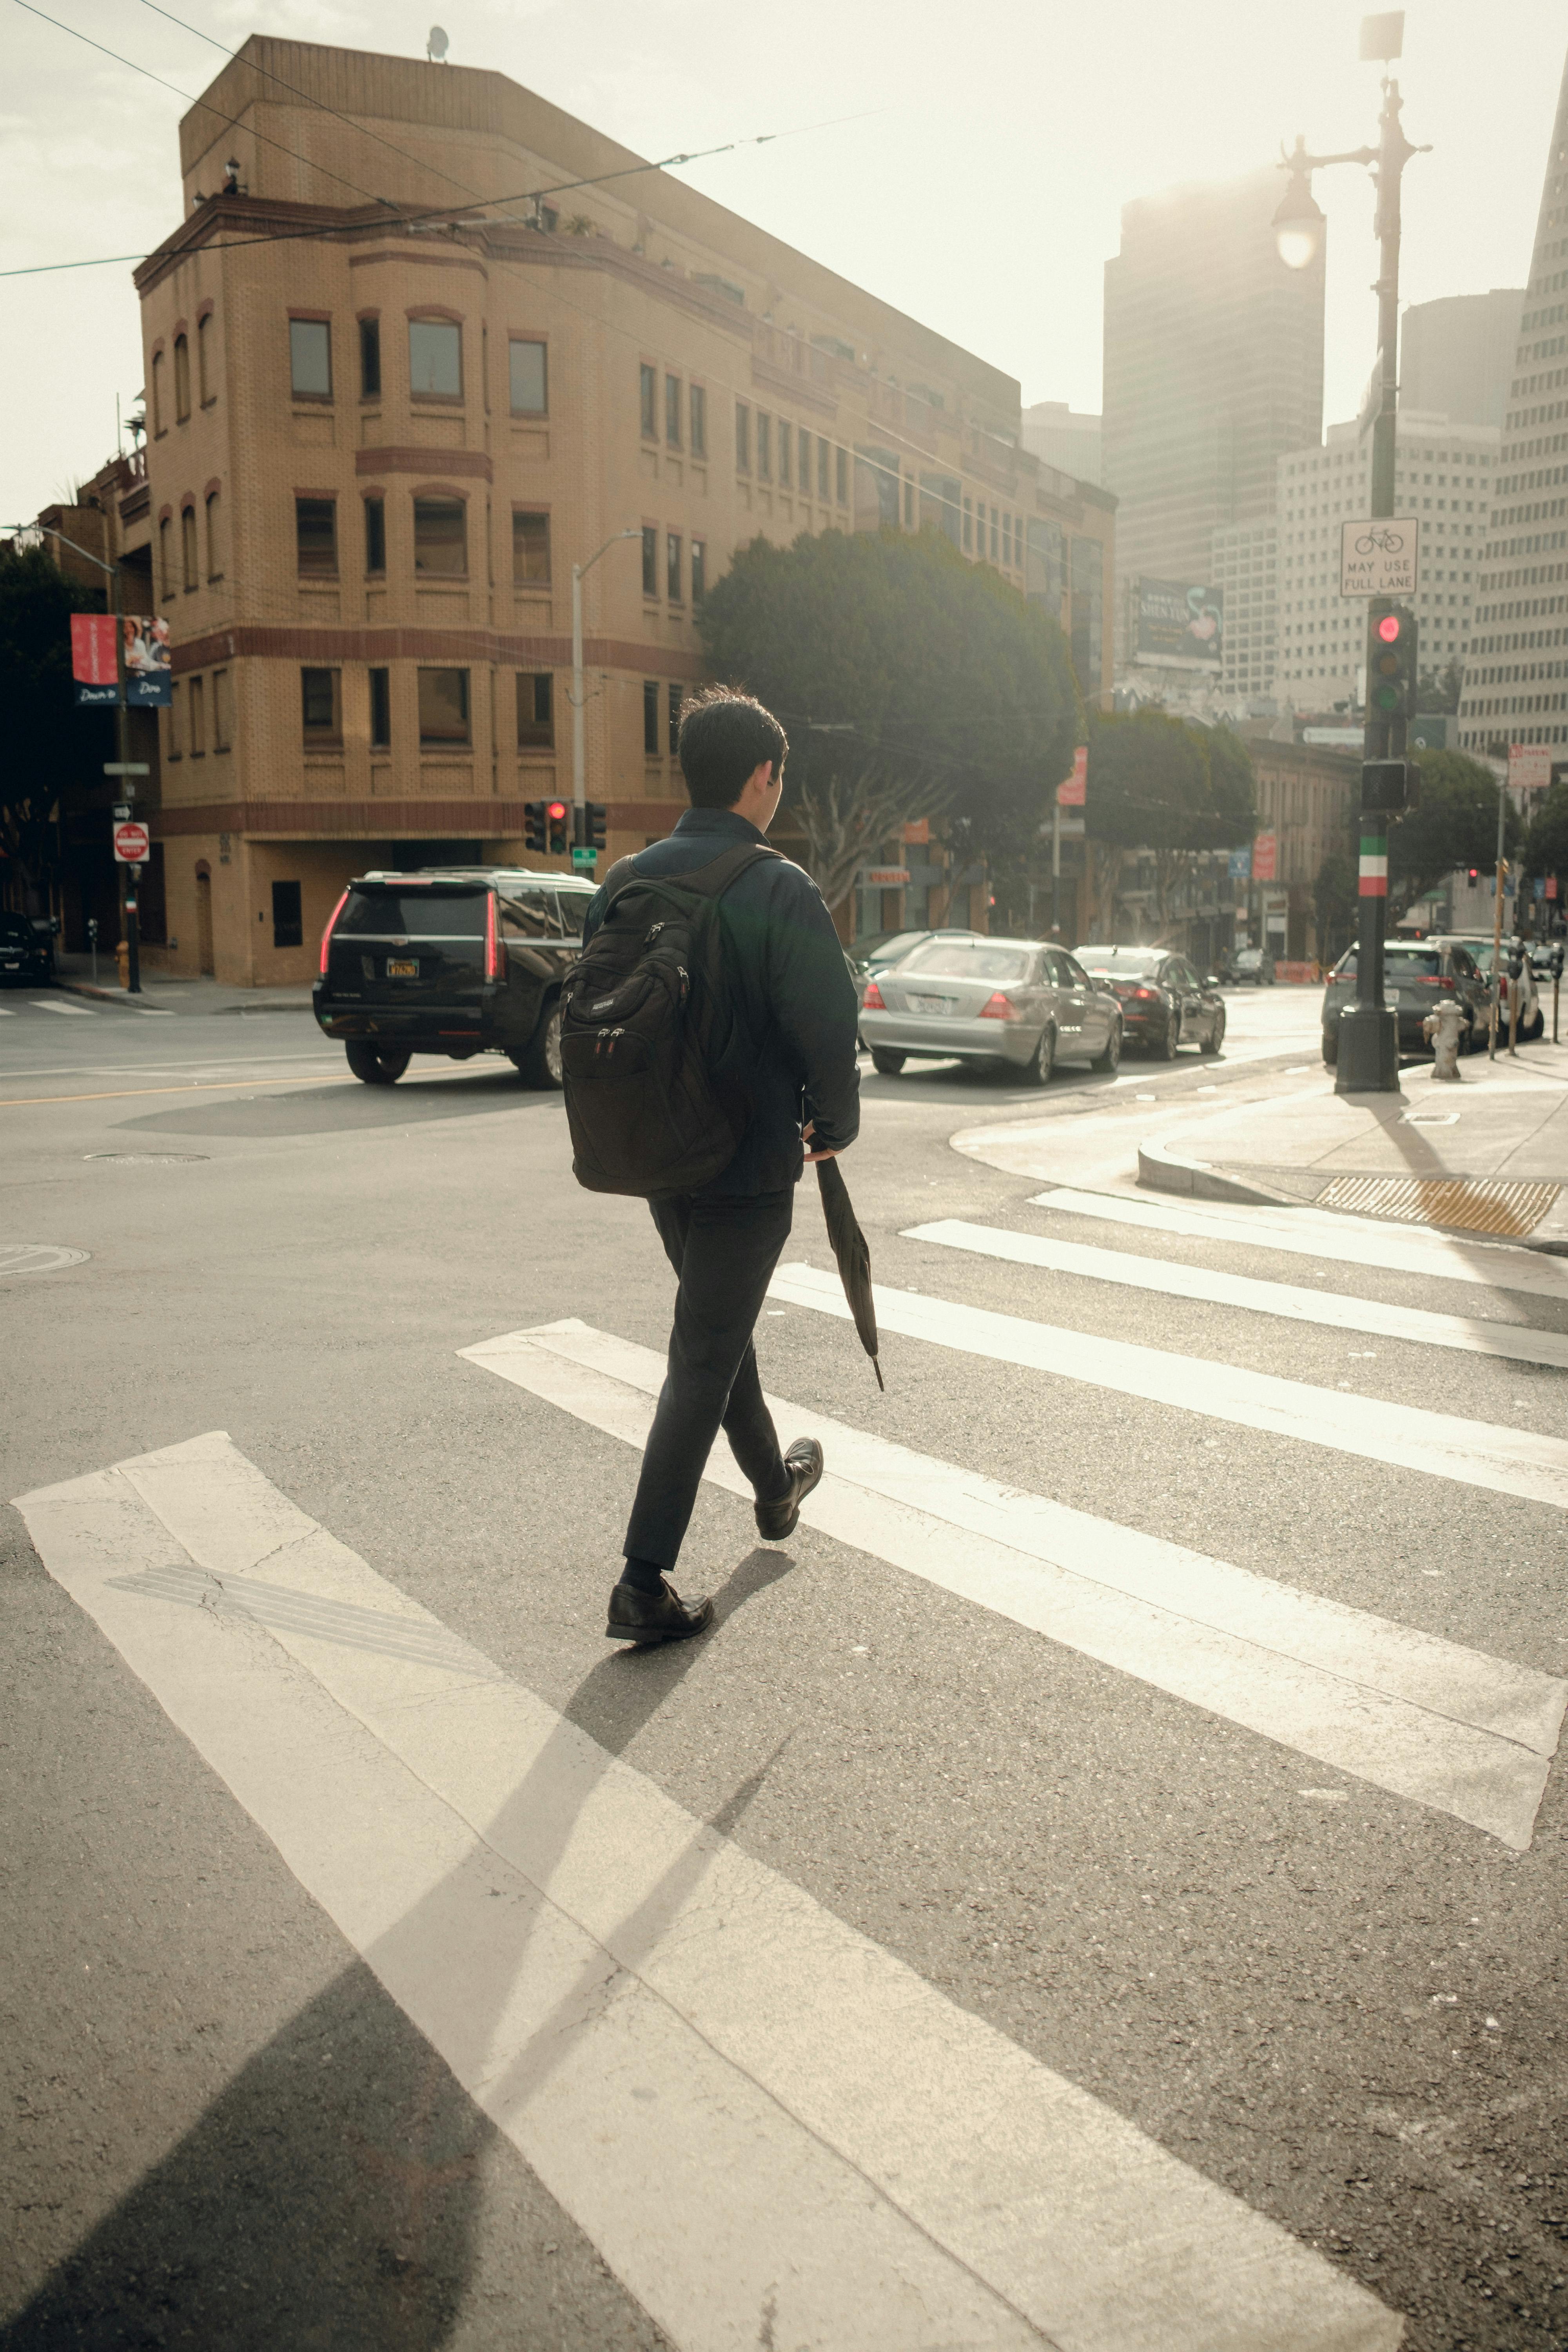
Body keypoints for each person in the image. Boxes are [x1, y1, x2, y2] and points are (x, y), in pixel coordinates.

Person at [582, 688, 861, 1645]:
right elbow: (828, 1020)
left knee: (716, 1329)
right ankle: (642, 1578)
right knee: (702, 1351)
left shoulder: (625, 880)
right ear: (762, 776)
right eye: (780, 776)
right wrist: (834, 1122)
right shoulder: (776, 885)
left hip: (658, 1152)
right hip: (744, 1163)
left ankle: (775, 1492)